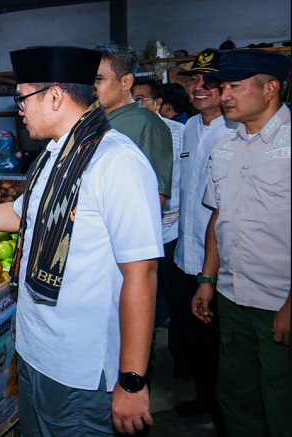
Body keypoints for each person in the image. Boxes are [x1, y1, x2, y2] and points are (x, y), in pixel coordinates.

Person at [0, 45, 163, 436]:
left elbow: (141, 273)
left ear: (55, 97)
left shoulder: (116, 162)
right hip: (34, 352)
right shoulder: (53, 157)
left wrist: (132, 380)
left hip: (80, 367)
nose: (19, 109)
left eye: (22, 98)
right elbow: (21, 212)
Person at [192, 49, 291, 437]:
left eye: (234, 86)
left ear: (270, 89)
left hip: (278, 302)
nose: (225, 95)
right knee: (235, 394)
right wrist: (207, 279)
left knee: (282, 401)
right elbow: (220, 217)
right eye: (224, 87)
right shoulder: (226, 147)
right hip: (234, 297)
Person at [170, 49, 237, 425]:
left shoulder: (236, 130)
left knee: (221, 343)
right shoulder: (190, 128)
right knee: (194, 337)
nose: (199, 87)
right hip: (185, 254)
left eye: (209, 81)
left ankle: (224, 407)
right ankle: (204, 398)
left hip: (220, 262)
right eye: (194, 80)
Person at [93, 41, 174, 210]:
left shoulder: (148, 125)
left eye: (99, 79)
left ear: (126, 82)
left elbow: (155, 199)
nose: (91, 87)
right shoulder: (94, 121)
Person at [132, 77, 185, 331]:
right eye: (132, 100)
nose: (136, 105)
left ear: (158, 103)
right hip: (136, 232)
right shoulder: (123, 135)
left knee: (173, 295)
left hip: (171, 228)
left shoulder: (178, 133)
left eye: (141, 99)